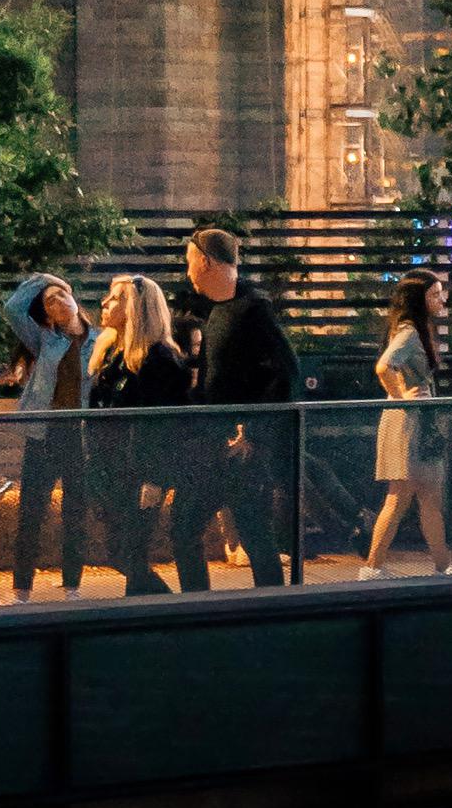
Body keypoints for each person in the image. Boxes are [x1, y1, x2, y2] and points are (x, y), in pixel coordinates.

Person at [169, 227, 295, 592]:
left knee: (244, 534)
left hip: (236, 451)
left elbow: (286, 370)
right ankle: (216, 607)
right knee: (210, 530)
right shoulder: (222, 310)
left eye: (190, 262)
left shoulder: (252, 309)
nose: (188, 272)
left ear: (206, 262)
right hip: (217, 447)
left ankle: (246, 607)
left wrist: (253, 433)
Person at [86, 273, 194, 596]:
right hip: (111, 469)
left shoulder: (160, 359)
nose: (105, 303)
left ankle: (165, 609)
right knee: (120, 552)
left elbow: (164, 426)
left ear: (136, 308)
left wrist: (155, 478)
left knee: (130, 553)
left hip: (139, 472)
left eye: (116, 298)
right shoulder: (114, 354)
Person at [0, 276, 89, 597]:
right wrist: (47, 280)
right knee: (31, 511)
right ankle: (21, 589)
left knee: (75, 512)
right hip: (44, 433)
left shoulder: (100, 339)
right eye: (50, 301)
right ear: (47, 314)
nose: (58, 302)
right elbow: (12, 309)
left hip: (81, 435)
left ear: (73, 297)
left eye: (62, 294)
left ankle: (72, 586)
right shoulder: (45, 340)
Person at [365, 270, 451, 575]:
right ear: (418, 299)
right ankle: (373, 567)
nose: (441, 300)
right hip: (410, 422)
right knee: (406, 496)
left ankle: (442, 566)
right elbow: (384, 366)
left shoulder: (409, 329)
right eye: (434, 294)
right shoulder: (410, 332)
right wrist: (402, 397)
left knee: (421, 496)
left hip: (412, 420)